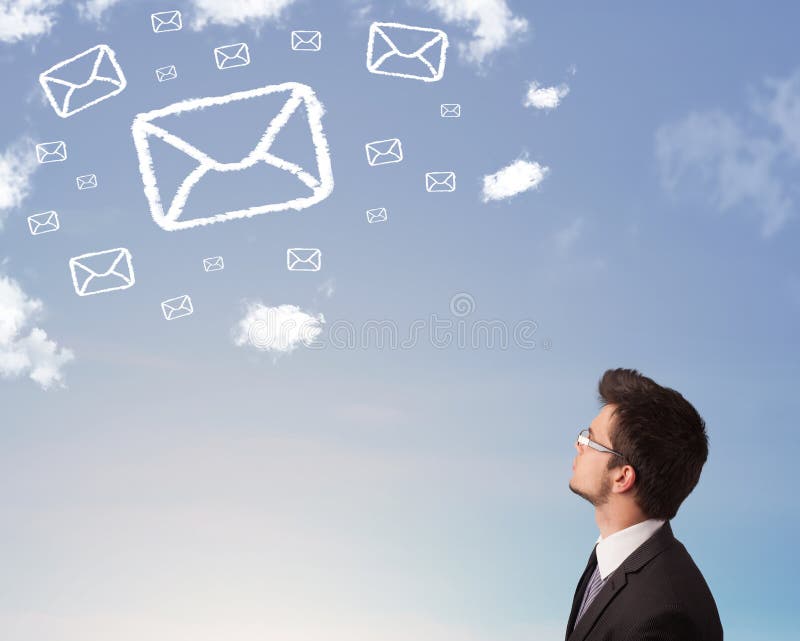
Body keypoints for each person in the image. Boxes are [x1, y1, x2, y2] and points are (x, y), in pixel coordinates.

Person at [566, 368, 723, 640]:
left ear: (622, 477)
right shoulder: (612, 556)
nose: (579, 444)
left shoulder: (663, 617)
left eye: (591, 440)